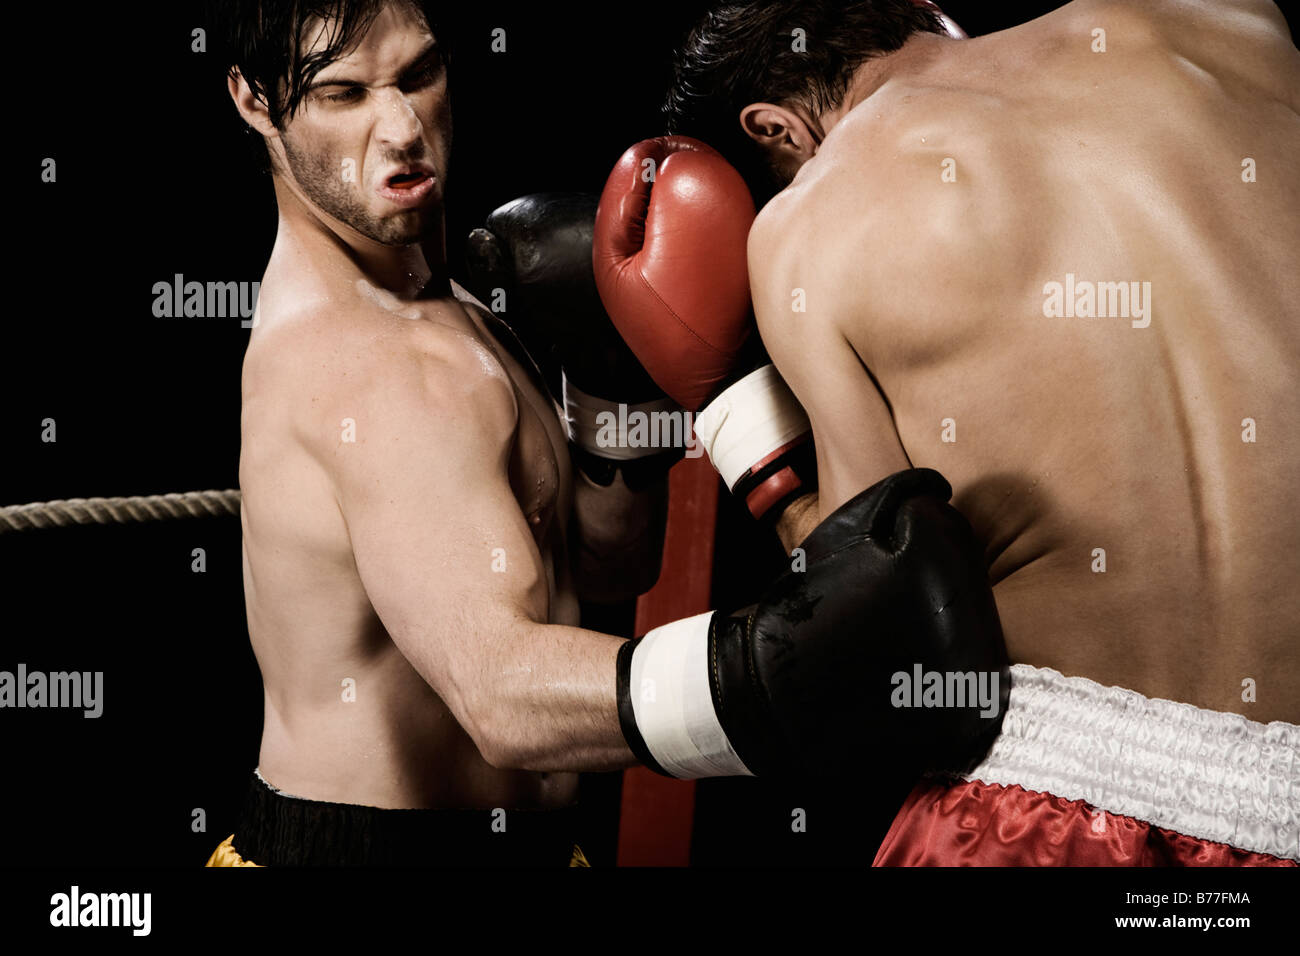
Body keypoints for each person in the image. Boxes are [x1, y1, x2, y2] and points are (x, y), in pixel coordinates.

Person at [206, 0, 1007, 866]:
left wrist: (605, 388)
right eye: (344, 94)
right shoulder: (358, 361)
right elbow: (504, 701)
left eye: (420, 76)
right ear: (253, 102)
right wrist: (765, 668)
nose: (401, 126)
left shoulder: (455, 310)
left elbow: (608, 565)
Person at [600, 0, 1300, 865]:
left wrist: (748, 433)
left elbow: (880, 623)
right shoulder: (1233, 26)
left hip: (1046, 807)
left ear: (772, 128)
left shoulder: (811, 223)